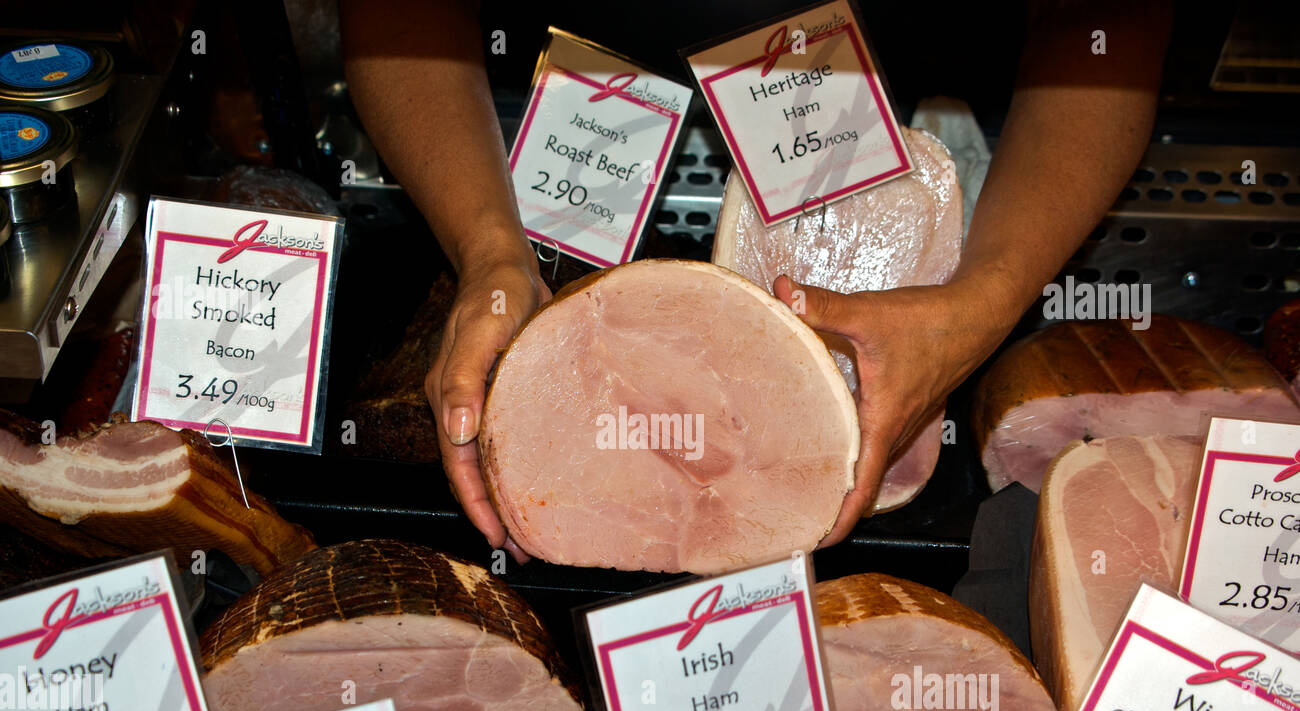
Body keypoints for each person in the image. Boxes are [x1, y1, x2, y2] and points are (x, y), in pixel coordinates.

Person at [341, 0, 1173, 561]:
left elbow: (1108, 18)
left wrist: (982, 302)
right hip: (535, 140)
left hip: (895, 145)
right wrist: (490, 249)